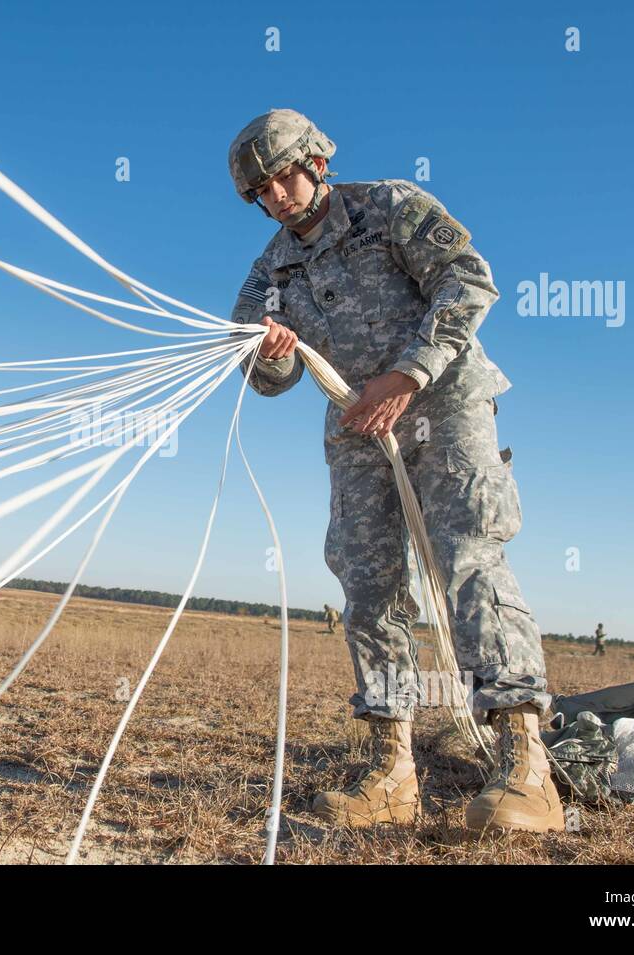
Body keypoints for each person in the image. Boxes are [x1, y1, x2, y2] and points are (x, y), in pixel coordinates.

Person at [227, 109, 561, 833]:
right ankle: (391, 767)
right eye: (261, 189)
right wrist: (275, 347)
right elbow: (265, 376)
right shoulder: (270, 271)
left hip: (443, 403)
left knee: (467, 556)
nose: (278, 195)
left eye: (285, 174)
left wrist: (409, 373)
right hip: (356, 425)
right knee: (368, 576)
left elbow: (467, 280)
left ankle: (524, 762)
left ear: (317, 161)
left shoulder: (390, 207)